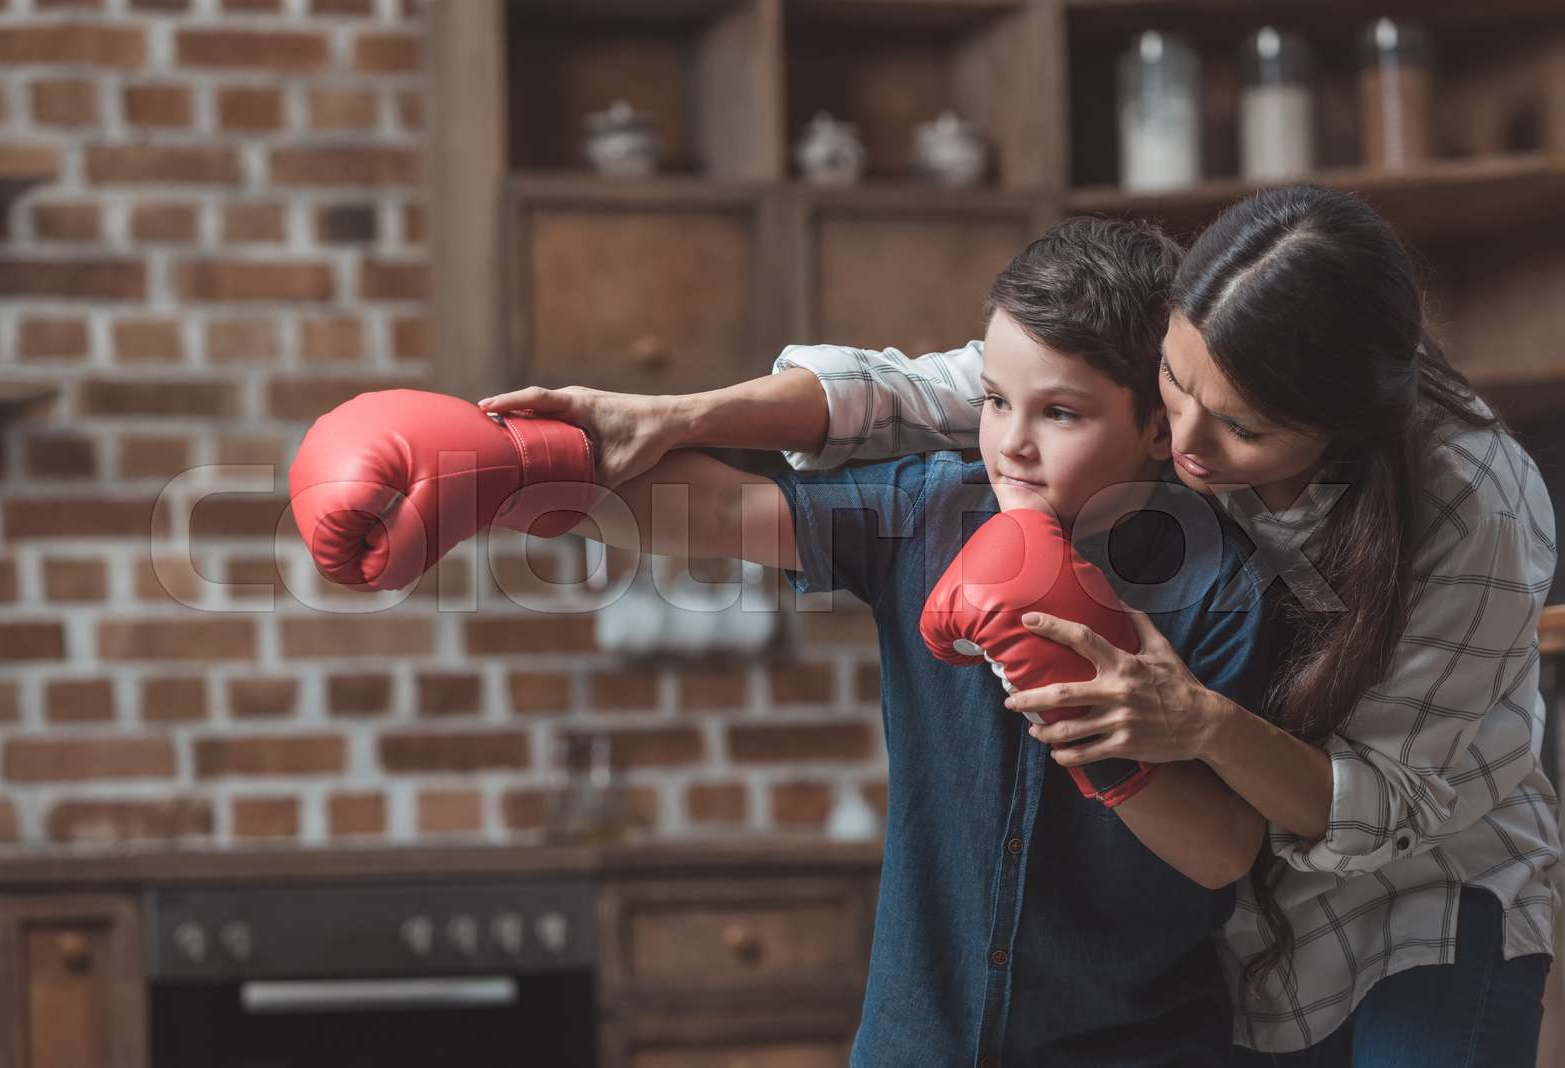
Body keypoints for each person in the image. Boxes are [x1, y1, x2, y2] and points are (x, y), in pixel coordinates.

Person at [485, 185, 1562, 1065]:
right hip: (1004, 1014)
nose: (1188, 443)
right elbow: (892, 416)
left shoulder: (1329, 560)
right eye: (1175, 391)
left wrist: (1165, 736)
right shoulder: (934, 507)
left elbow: (1272, 829)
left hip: (1419, 885)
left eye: (1231, 427)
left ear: (1331, 430)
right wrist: (514, 473)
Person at [517, 217, 1287, 1065]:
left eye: (1060, 413)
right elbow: (722, 510)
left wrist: (1098, 731)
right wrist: (505, 473)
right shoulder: (932, 511)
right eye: (995, 401)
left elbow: (1224, 855)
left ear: (1156, 427)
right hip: (914, 1044)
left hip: (1136, 1049)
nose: (1012, 445)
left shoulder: (1223, 588)